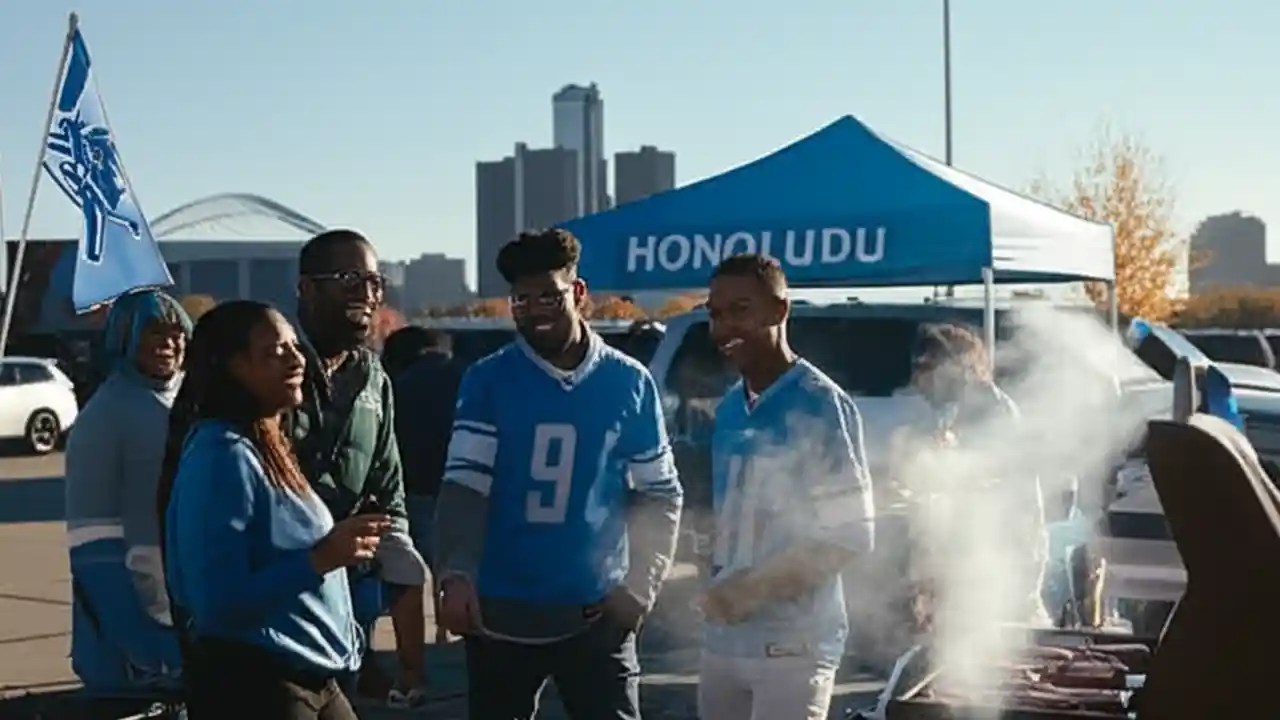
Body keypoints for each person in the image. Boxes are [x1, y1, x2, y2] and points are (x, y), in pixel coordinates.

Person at [433, 228, 684, 720]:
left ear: (579, 292)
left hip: (595, 612)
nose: (535, 309)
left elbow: (659, 491)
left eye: (549, 295)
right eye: (521, 300)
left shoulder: (629, 381)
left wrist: (639, 586)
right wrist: (455, 572)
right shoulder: (488, 379)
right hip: (500, 612)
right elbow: (466, 484)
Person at [161, 300, 388, 719]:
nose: (295, 359)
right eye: (272, 352)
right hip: (258, 685)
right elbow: (216, 604)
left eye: (293, 346)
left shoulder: (266, 443)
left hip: (313, 677)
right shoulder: (221, 456)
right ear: (232, 368)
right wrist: (323, 557)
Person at [694, 254, 875, 720]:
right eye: (714, 313)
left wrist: (751, 591)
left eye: (740, 310)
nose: (723, 326)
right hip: (724, 641)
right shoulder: (732, 407)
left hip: (793, 645)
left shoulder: (821, 404)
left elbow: (849, 536)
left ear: (779, 311)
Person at [289, 229, 427, 706]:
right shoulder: (272, 365)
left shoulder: (372, 376)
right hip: (279, 600)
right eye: (349, 279)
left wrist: (398, 544)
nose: (366, 295)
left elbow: (387, 482)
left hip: (350, 603)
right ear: (305, 288)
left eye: (374, 281)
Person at [64, 290, 191, 696]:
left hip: (192, 607)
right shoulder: (103, 416)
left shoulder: (192, 400)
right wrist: (137, 642)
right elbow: (91, 545)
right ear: (125, 335)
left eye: (176, 332)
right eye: (154, 331)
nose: (168, 343)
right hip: (134, 627)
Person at [386, 326, 463, 649]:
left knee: (420, 562)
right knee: (459, 558)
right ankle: (457, 621)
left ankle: (436, 631)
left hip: (417, 483)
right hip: (461, 484)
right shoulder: (467, 376)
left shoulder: (399, 385)